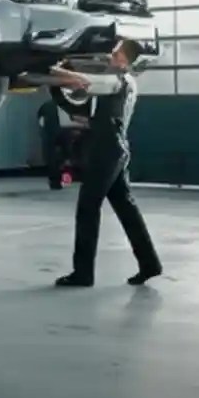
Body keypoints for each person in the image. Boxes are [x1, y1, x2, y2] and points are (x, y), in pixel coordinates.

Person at [47, 40, 162, 288]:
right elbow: (98, 116)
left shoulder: (116, 80)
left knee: (88, 208)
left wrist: (51, 68)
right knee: (126, 209)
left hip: (107, 151)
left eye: (115, 52)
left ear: (124, 60)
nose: (110, 55)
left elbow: (80, 81)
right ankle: (150, 263)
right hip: (118, 148)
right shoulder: (129, 84)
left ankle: (83, 274)